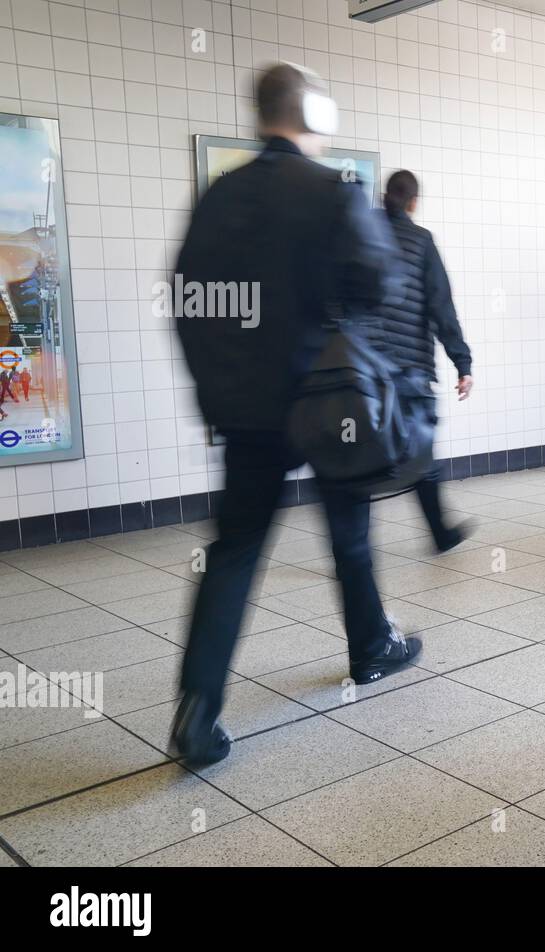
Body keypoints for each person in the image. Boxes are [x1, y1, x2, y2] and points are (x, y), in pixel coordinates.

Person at [170, 63, 421, 766]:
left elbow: (188, 303)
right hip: (329, 399)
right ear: (313, 113)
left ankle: (196, 712)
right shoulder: (334, 189)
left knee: (236, 550)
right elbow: (379, 280)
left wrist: (216, 392)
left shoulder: (218, 196)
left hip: (248, 411)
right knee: (349, 531)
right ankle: (372, 646)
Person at [374, 170, 474, 552]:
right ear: (414, 202)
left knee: (357, 457)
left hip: (361, 371)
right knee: (420, 450)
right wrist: (462, 364)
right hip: (409, 370)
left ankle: (352, 551)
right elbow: (441, 309)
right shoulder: (420, 241)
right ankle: (440, 532)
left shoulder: (358, 239)